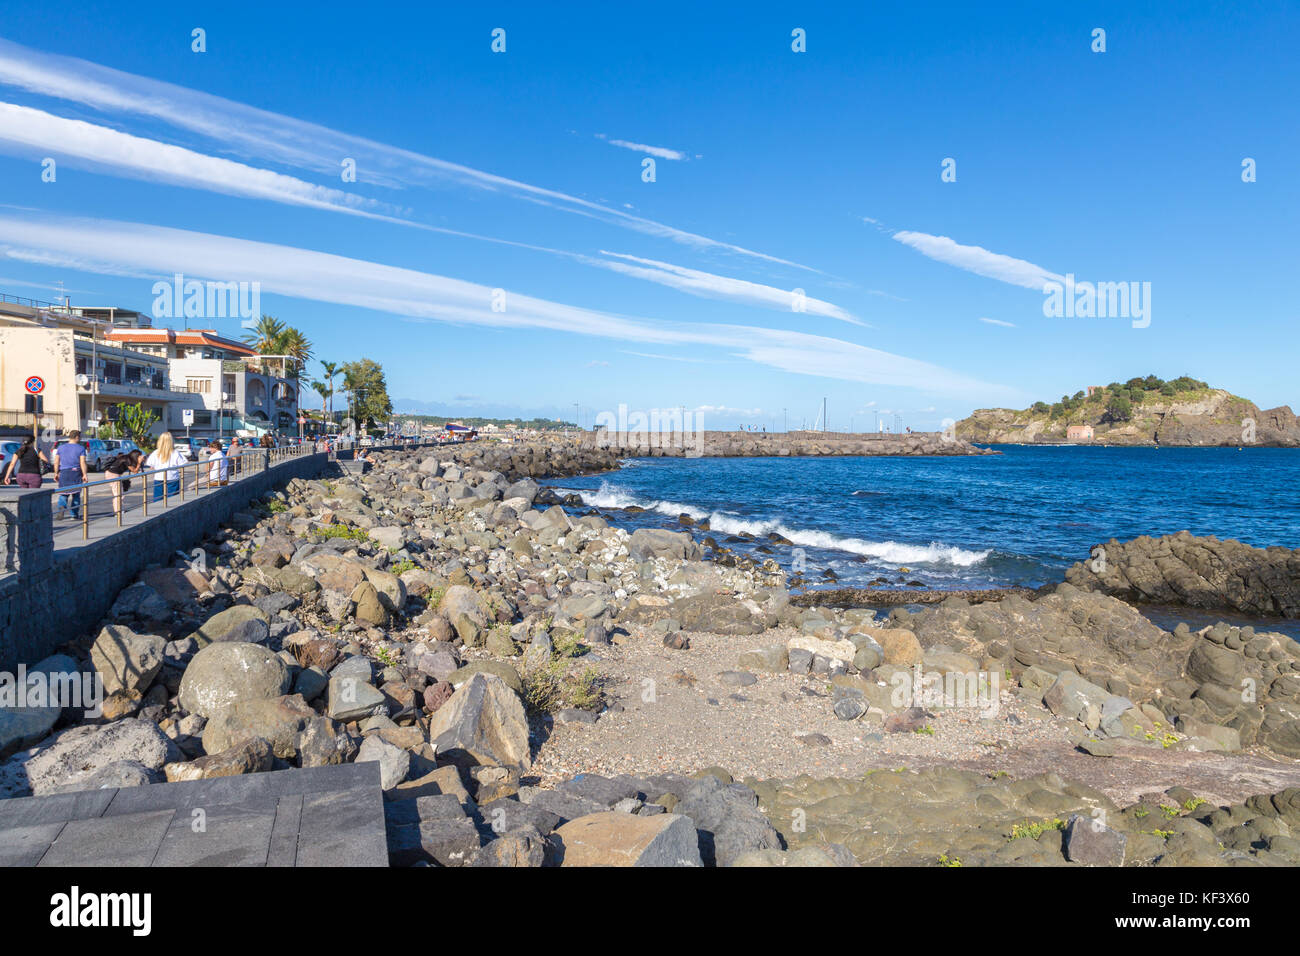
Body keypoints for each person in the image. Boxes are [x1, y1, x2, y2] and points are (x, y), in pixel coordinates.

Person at [53, 431, 89, 519]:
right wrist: (84, 474)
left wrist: (56, 473)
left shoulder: (60, 448)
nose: (80, 439)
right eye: (79, 437)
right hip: (75, 472)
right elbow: (82, 462)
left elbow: (56, 461)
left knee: (63, 493)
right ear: (76, 437)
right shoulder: (81, 448)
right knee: (76, 494)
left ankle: (61, 508)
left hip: (64, 472)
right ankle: (74, 514)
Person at [145, 432, 187, 501]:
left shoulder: (156, 452)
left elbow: (151, 466)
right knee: (173, 499)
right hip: (172, 477)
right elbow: (183, 464)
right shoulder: (175, 453)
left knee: (158, 499)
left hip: (159, 477)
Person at [103, 449, 143, 516]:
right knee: (118, 494)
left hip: (112, 474)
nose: (141, 457)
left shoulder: (126, 458)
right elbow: (135, 471)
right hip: (113, 475)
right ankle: (118, 512)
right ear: (136, 456)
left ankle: (119, 510)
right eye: (140, 456)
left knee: (118, 493)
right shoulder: (127, 460)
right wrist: (139, 463)